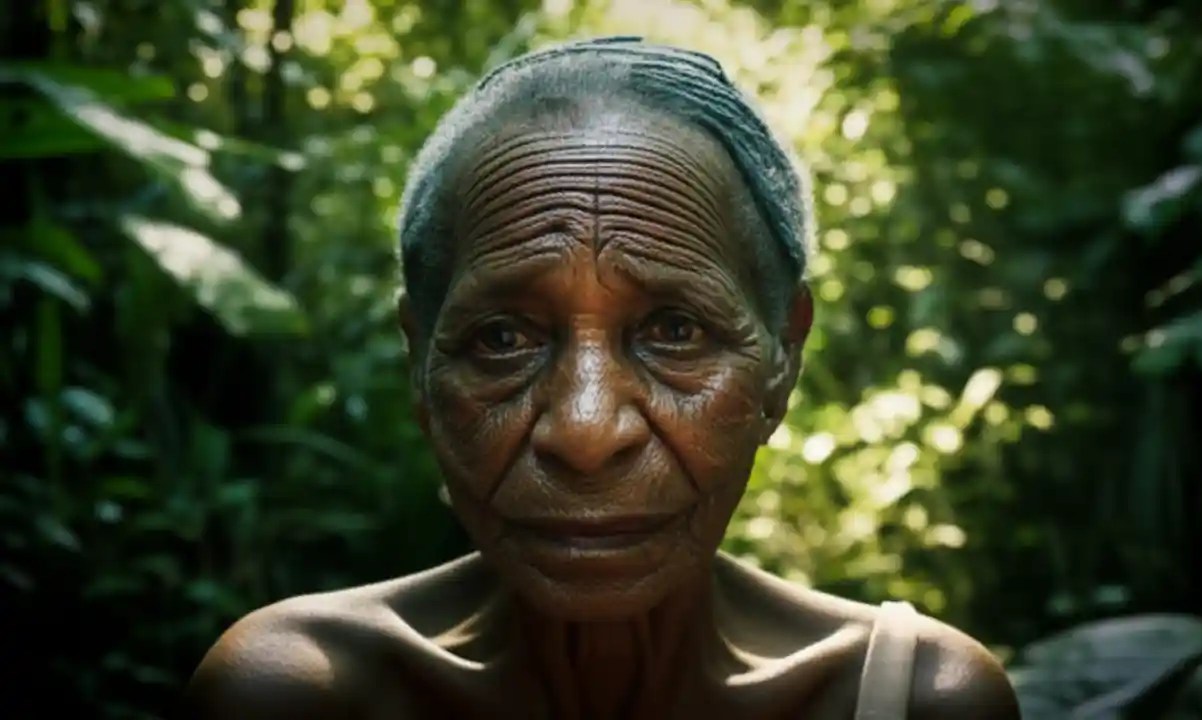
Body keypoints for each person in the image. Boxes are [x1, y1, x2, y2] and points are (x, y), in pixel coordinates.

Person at [184, 37, 1022, 720]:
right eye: (503, 337)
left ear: (782, 361)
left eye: (674, 331)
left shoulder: (916, 699)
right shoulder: (297, 690)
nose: (585, 433)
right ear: (419, 362)